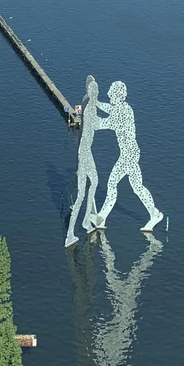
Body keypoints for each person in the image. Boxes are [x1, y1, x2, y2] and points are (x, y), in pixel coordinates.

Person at [91, 81, 162, 233]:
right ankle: (155, 214)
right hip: (131, 152)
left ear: (117, 95)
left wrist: (89, 117)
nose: (109, 94)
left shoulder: (121, 112)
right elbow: (110, 108)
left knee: (112, 183)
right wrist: (95, 102)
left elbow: (103, 124)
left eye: (111, 92)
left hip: (128, 155)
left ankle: (102, 217)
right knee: (137, 187)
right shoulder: (125, 107)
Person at [64, 75, 103, 247]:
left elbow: (81, 113)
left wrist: (72, 111)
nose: (96, 92)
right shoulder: (90, 108)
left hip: (85, 152)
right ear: (90, 90)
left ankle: (86, 221)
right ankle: (71, 234)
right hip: (85, 153)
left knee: (93, 182)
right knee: (81, 194)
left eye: (96, 90)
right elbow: (98, 124)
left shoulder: (86, 101)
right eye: (94, 90)